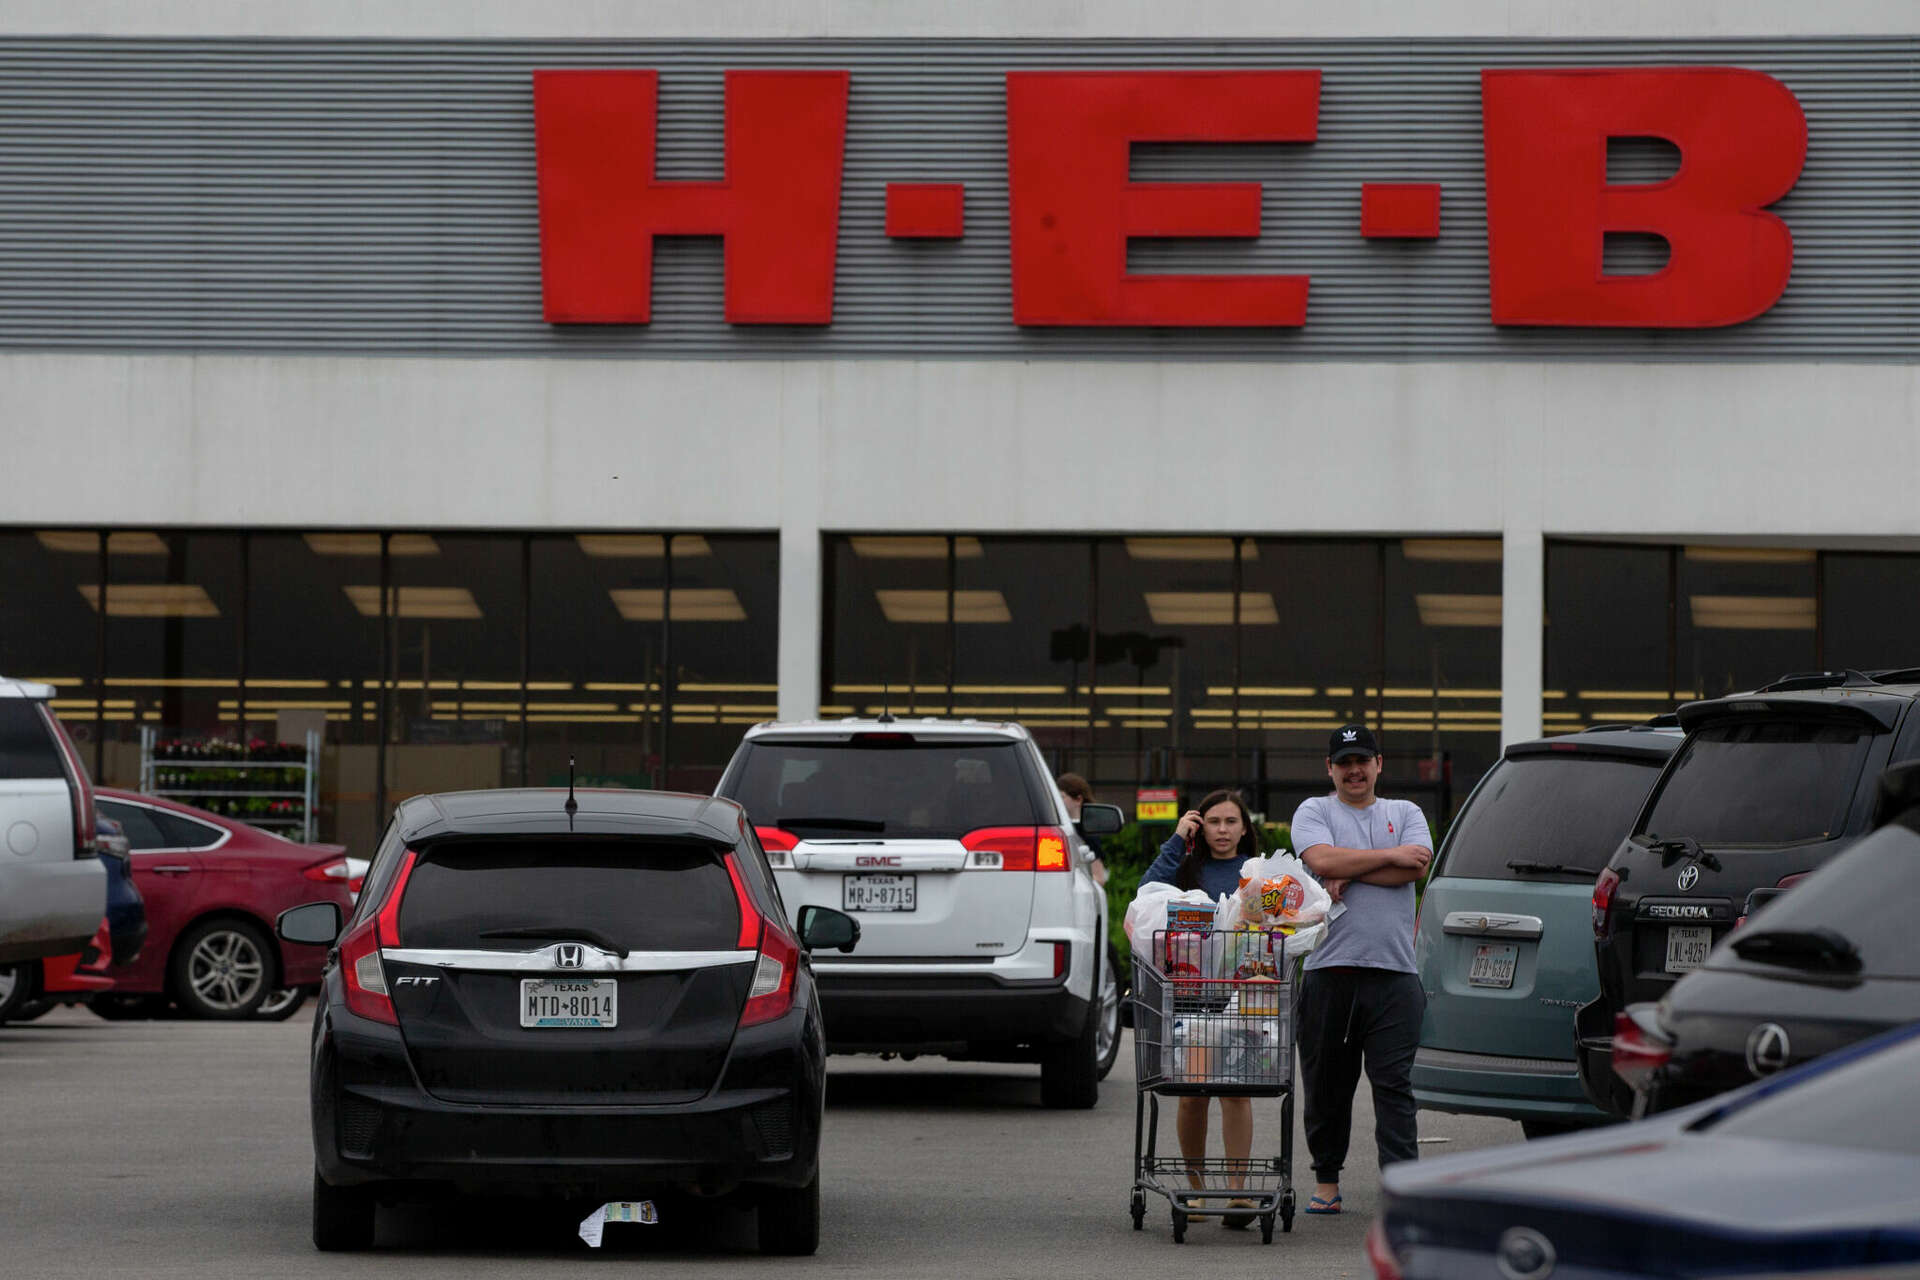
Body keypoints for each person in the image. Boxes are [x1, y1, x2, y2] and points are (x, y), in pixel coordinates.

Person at [1290, 724, 1433, 1218]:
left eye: (1363, 760)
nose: (1355, 770)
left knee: (1395, 1087)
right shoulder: (1315, 811)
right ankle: (1326, 1180)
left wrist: (1348, 869)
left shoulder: (1405, 812)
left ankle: (1401, 1187)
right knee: (1327, 1084)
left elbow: (1413, 868)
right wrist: (1386, 856)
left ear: (1379, 764)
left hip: (1395, 974)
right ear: (1330, 769)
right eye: (1344, 762)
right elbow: (1320, 857)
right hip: (1330, 971)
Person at [1137, 789, 1261, 1229]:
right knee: (1191, 1093)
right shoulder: (1187, 868)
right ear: (1199, 825)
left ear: (1245, 827)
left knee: (1236, 1090)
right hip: (1190, 994)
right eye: (1213, 822)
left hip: (1243, 995)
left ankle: (1239, 1193)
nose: (1223, 830)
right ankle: (1195, 1187)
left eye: (1231, 822)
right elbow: (1145, 895)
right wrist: (1176, 840)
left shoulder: (1256, 874)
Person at [1054, 772, 1107, 885]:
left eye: (1061, 797)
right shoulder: (1053, 828)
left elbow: (1099, 877)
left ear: (1078, 799)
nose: (1056, 802)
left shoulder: (1088, 832)